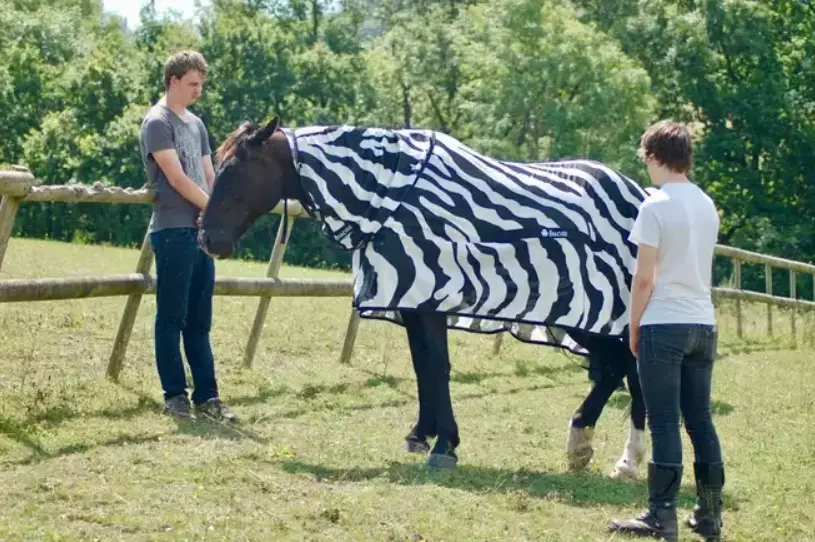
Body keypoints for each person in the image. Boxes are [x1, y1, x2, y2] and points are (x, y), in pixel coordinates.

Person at [608, 120, 724, 542]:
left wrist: (634, 324)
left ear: (655, 157)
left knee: (663, 423)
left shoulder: (655, 206)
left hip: (664, 322)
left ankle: (661, 515)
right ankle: (710, 517)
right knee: (701, 422)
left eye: (646, 161)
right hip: (702, 322)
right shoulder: (707, 204)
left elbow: (644, 279)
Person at [138, 50, 236, 422]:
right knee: (171, 318)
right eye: (192, 84)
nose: (198, 91)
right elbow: (176, 178)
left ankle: (208, 397)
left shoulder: (196, 124)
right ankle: (175, 396)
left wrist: (215, 215)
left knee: (199, 321)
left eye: (201, 85)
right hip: (174, 230)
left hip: (200, 233)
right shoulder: (156, 122)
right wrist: (209, 210)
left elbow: (210, 176)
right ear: (173, 80)